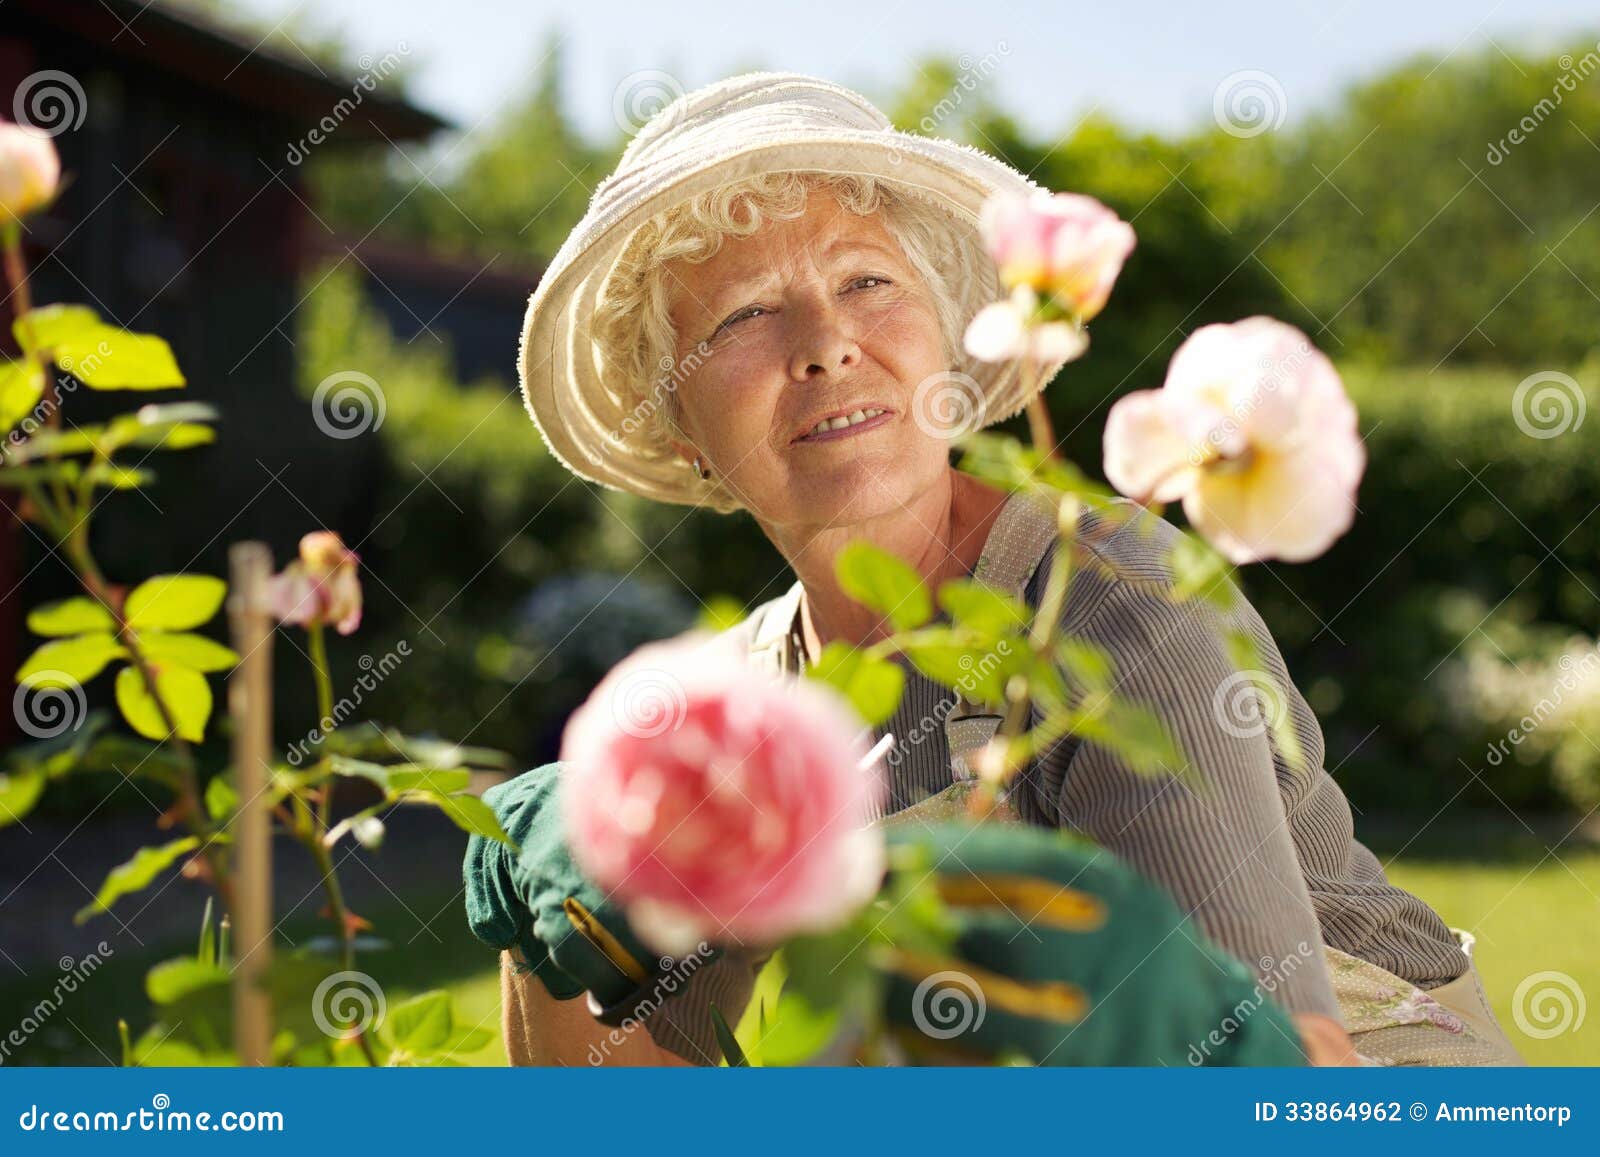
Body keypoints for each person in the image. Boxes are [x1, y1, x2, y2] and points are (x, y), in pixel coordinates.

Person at [484, 71, 1522, 1066]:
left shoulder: (1108, 593)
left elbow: (1256, 1073)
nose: (825, 342)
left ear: (941, 333)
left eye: (866, 280)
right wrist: (567, 917)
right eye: (743, 314)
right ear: (680, 430)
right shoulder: (738, 705)